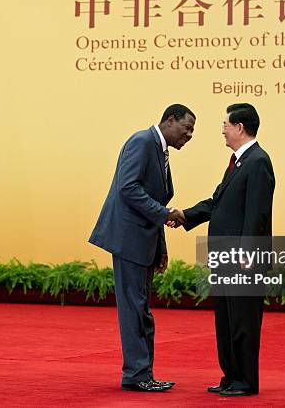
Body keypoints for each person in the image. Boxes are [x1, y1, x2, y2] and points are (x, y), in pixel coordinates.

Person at [169, 103, 275, 396]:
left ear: (240, 127)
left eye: (225, 127)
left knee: (243, 322)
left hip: (243, 260)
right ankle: (231, 377)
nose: (223, 133)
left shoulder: (258, 161)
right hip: (225, 257)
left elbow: (257, 213)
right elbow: (217, 203)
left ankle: (245, 381)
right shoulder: (238, 162)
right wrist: (185, 215)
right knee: (226, 321)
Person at [89, 104, 195, 392]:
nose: (189, 136)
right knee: (134, 308)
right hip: (128, 239)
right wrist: (166, 214)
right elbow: (128, 188)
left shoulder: (160, 150)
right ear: (169, 120)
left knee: (142, 309)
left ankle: (143, 372)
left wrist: (161, 246)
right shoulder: (142, 141)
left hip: (144, 241)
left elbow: (153, 200)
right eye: (186, 129)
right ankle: (136, 375)